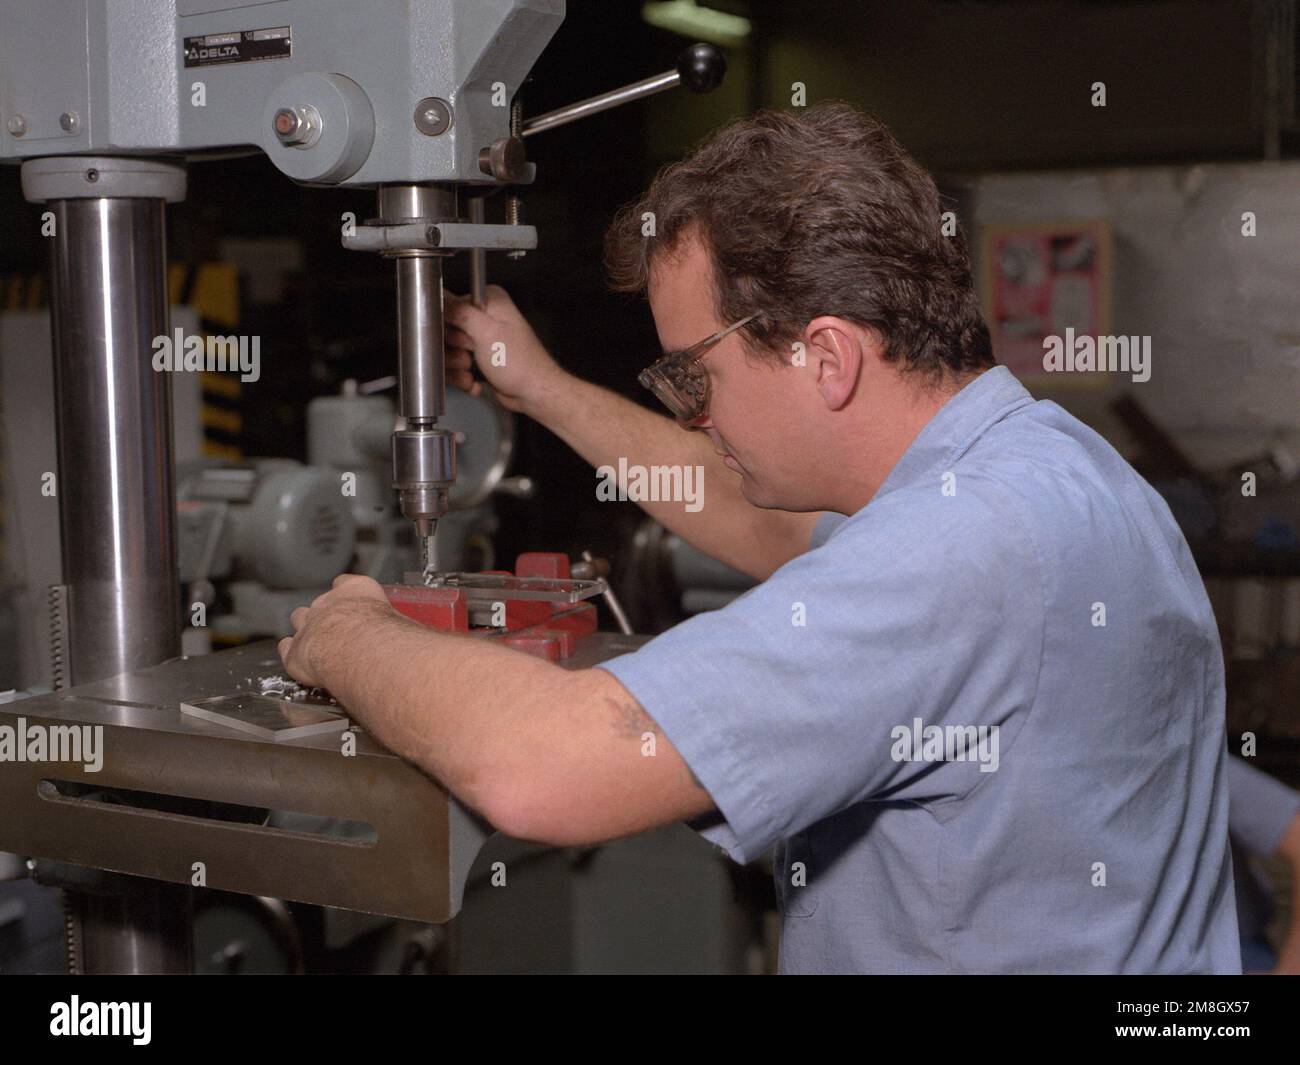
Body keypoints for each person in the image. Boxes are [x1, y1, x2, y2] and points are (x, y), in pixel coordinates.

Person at [279, 102, 1239, 973]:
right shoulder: (1050, 467)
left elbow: (554, 767)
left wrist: (349, 634)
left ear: (825, 354)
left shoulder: (966, 543)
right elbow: (762, 523)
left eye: (696, 376)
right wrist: (540, 385)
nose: (694, 417)